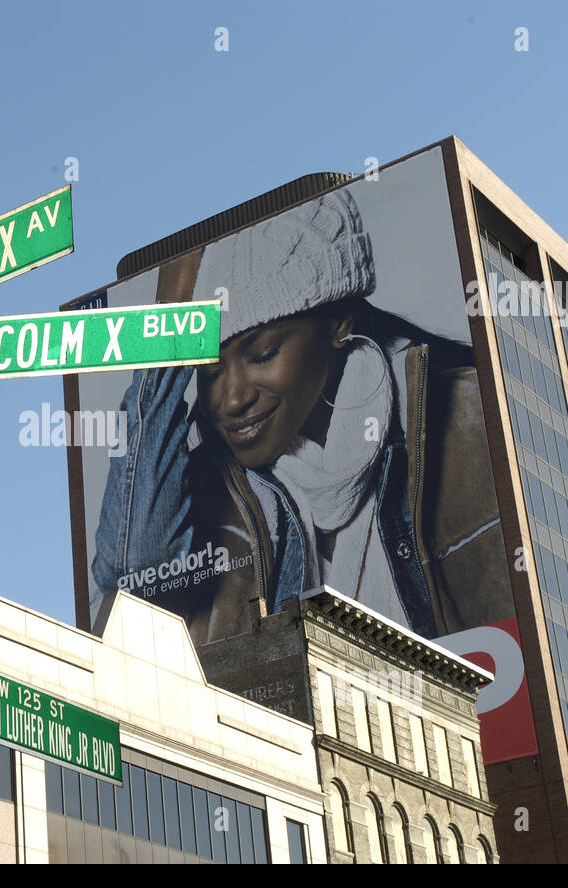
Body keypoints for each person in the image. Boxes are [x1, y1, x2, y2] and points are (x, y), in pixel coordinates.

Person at [91, 189, 513, 645]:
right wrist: (164, 335)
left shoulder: (472, 421)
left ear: (339, 323)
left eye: (262, 354)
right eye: (208, 372)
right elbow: (132, 582)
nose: (231, 400)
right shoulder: (199, 491)